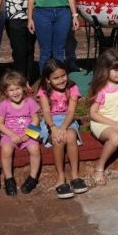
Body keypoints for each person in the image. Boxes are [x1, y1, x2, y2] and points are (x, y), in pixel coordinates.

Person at [36, 59, 88, 199]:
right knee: (58, 139)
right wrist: (53, 127)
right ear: (48, 79)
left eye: (63, 76)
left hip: (67, 119)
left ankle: (75, 175)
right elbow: (46, 112)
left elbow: (71, 112)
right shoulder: (43, 91)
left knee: (70, 136)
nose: (61, 80)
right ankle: (60, 176)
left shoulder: (73, 88)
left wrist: (64, 127)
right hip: (50, 121)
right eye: (56, 78)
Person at [89, 48, 118, 186]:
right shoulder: (101, 88)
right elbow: (93, 114)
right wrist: (113, 124)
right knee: (115, 138)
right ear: (105, 69)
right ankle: (99, 167)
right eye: (115, 70)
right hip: (102, 123)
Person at [0, 70, 41, 195]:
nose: (15, 92)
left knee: (35, 149)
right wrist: (12, 135)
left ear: (23, 88)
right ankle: (9, 179)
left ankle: (32, 178)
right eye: (11, 90)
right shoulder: (4, 105)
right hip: (10, 134)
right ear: (6, 92)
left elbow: (36, 119)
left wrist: (29, 134)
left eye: (18, 88)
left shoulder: (30, 102)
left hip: (29, 133)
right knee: (6, 151)